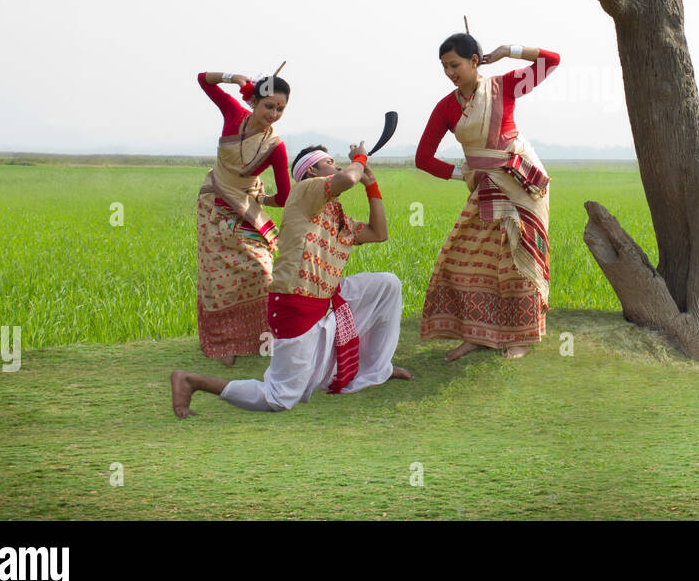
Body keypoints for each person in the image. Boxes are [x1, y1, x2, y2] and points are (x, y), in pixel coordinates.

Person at [171, 144, 413, 417]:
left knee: (387, 285)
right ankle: (191, 381)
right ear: (312, 170)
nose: (336, 166)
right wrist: (359, 158)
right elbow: (347, 178)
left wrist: (372, 185)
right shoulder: (304, 191)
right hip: (295, 305)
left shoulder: (337, 216)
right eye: (330, 162)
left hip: (325, 300)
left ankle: (377, 369)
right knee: (279, 397)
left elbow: (379, 233)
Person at [415, 34, 559, 360]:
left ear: (475, 61)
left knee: (518, 261)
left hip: (523, 184)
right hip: (486, 189)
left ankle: (522, 337)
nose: (450, 72)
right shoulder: (447, 107)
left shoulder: (504, 87)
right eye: (444, 67)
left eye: (455, 64)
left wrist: (510, 51)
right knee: (468, 258)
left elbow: (551, 61)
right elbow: (423, 158)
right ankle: (475, 335)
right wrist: (468, 172)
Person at [194, 71, 292, 366]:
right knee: (217, 277)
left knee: (262, 272)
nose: (273, 114)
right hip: (213, 203)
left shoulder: (276, 147)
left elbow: (285, 197)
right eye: (268, 106)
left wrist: (261, 200)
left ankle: (262, 339)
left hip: (246, 207)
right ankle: (223, 343)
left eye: (280, 109)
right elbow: (202, 79)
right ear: (254, 101)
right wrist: (234, 77)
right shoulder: (233, 112)